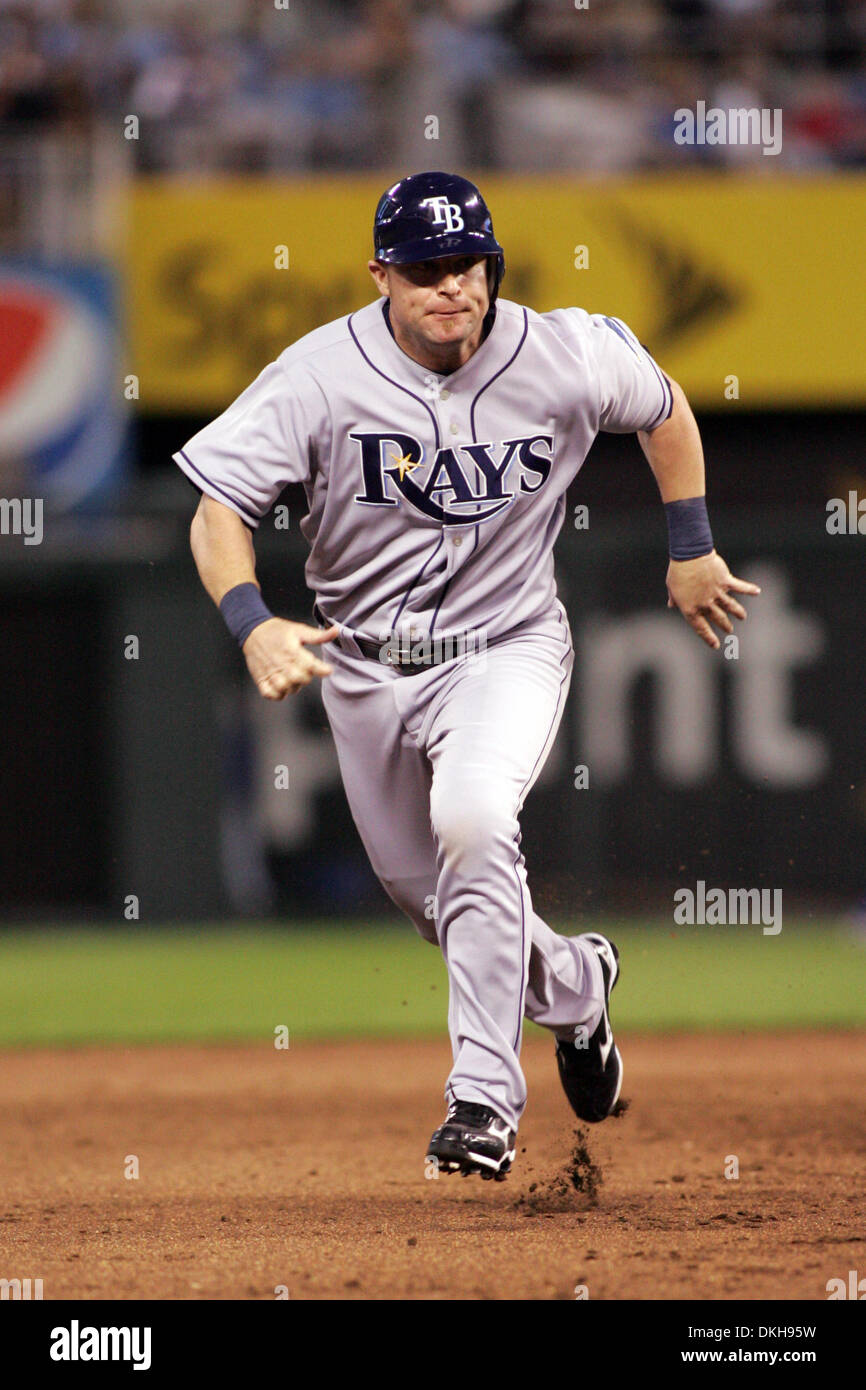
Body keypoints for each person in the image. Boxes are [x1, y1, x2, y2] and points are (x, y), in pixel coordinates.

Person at [176, 171, 760, 1181]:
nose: (449, 286)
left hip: (505, 647)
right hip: (362, 665)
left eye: (466, 264)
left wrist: (691, 545)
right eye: (423, 268)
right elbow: (217, 508)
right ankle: (574, 984)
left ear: (490, 266)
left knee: (475, 822)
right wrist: (250, 622)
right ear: (380, 275)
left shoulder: (562, 352)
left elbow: (664, 410)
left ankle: (482, 1102)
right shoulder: (317, 375)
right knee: (430, 895)